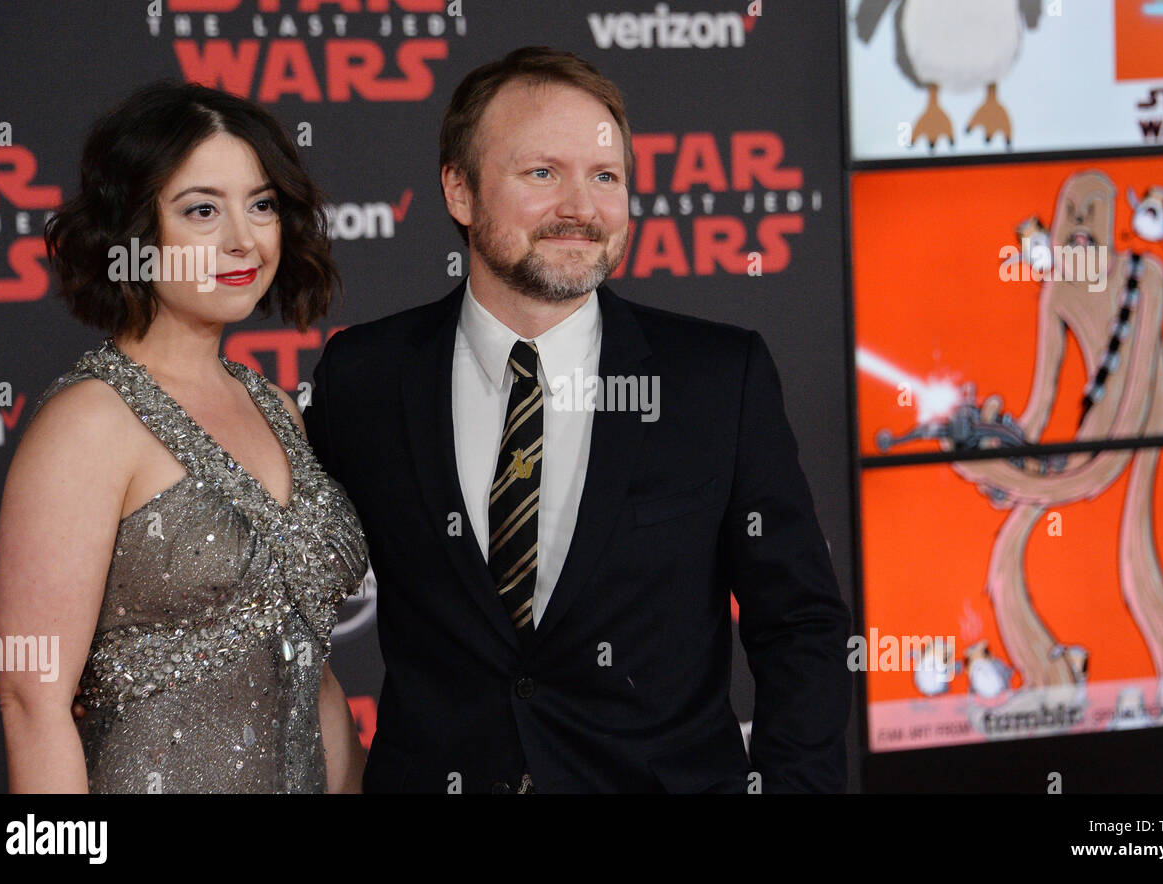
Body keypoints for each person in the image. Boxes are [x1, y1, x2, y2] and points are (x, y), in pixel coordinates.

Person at [305, 47, 851, 793]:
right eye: (542, 173)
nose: (581, 208)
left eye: (605, 176)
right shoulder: (363, 375)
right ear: (459, 191)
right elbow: (285, 608)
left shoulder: (717, 379)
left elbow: (800, 628)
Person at [0, 81, 369, 793]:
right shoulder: (89, 423)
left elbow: (308, 664)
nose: (242, 239)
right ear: (133, 233)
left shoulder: (277, 410)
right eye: (202, 210)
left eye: (261, 205)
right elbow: (31, 701)